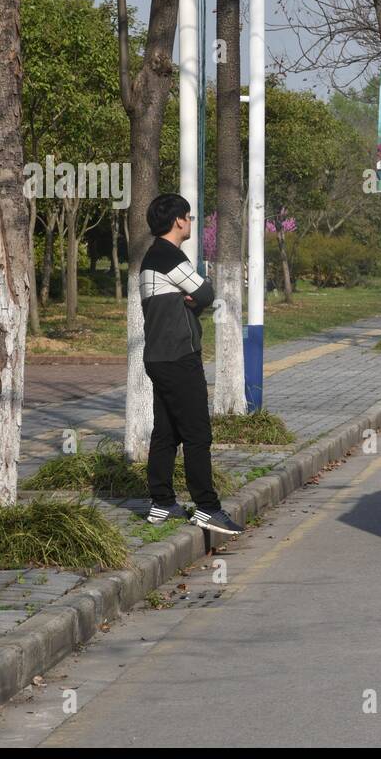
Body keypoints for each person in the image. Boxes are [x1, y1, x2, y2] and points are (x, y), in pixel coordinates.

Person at [140, 193, 243, 536]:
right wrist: (194, 298)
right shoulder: (168, 256)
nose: (191, 222)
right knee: (198, 432)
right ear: (178, 220)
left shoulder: (155, 255)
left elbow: (194, 298)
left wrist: (192, 299)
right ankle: (207, 508)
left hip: (159, 356)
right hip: (178, 357)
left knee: (167, 431)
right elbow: (205, 293)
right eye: (189, 216)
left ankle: (162, 502)